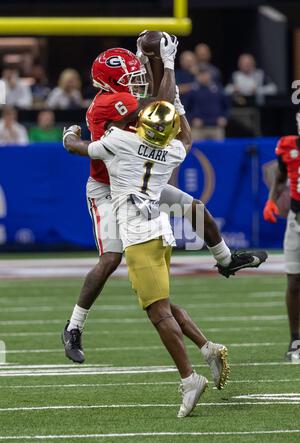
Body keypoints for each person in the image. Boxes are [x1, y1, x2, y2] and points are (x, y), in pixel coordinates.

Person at [60, 34, 268, 367]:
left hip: (136, 178)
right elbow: (163, 107)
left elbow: (158, 103)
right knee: (111, 259)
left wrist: (150, 61)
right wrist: (165, 62)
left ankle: (225, 259)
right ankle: (74, 325)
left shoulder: (119, 97)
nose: (135, 79)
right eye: (129, 77)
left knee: (194, 208)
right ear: (113, 83)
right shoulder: (108, 103)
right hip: (109, 188)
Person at [64, 98, 233, 417]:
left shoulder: (120, 140)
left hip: (139, 236)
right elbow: (186, 139)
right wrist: (180, 106)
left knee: (158, 313)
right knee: (162, 304)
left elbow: (77, 147)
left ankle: (189, 378)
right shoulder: (171, 152)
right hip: (160, 232)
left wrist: (69, 133)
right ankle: (207, 348)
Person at [263, 112, 300, 361]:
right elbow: (281, 176)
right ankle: (296, 339)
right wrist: (272, 201)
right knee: (294, 281)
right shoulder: (287, 145)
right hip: (296, 220)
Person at [186, 67, 229, 141]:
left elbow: (226, 106)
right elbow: (186, 108)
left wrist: (224, 117)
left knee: (219, 150)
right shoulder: (193, 91)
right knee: (196, 150)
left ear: (210, 75)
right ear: (197, 76)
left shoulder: (218, 89)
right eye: (201, 74)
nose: (203, 77)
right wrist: (192, 119)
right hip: (198, 128)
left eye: (205, 74)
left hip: (216, 127)